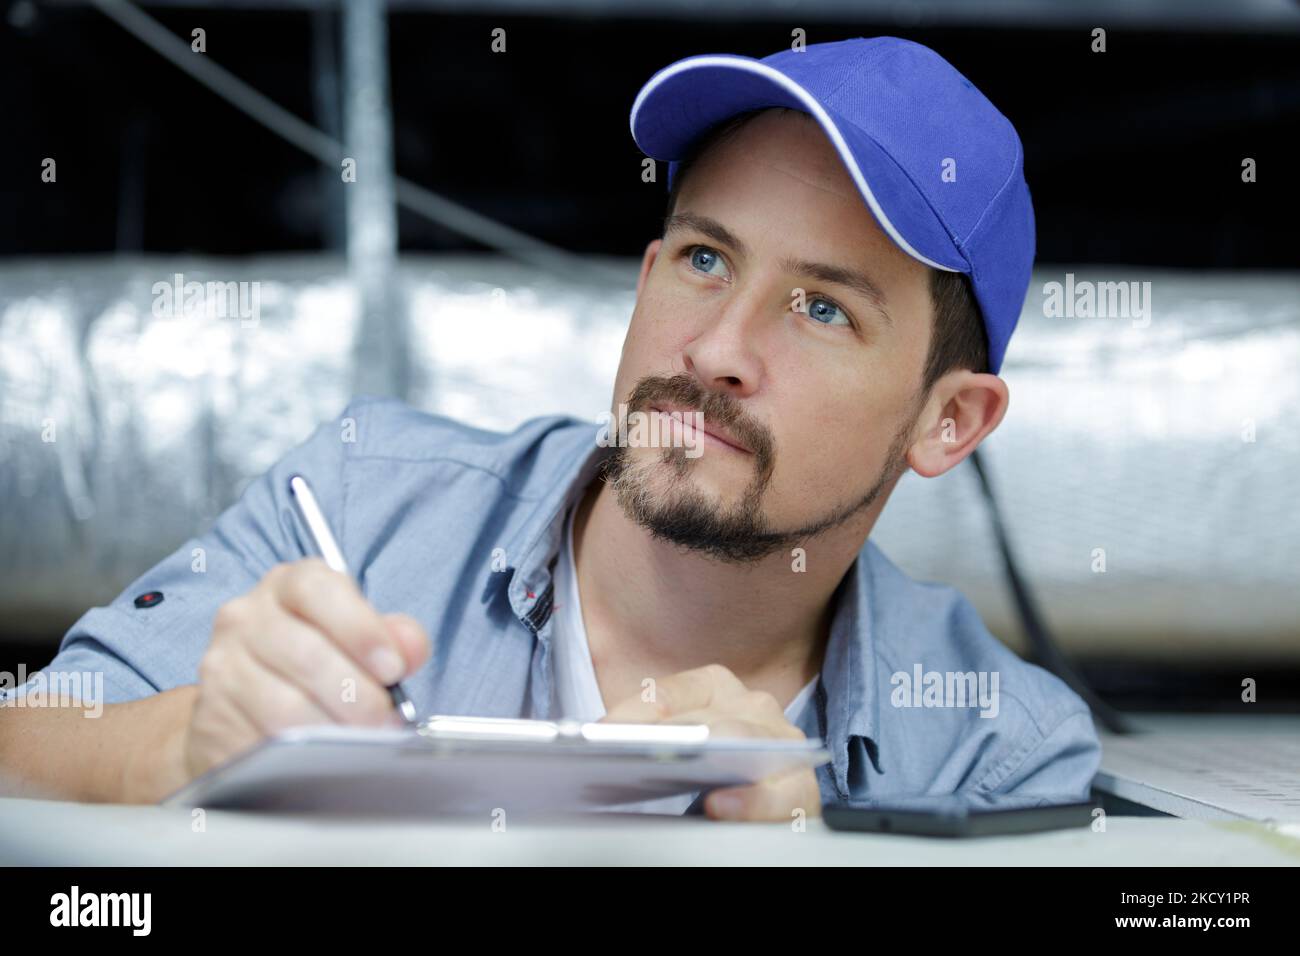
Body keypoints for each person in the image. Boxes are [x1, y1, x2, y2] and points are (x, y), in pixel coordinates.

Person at [0, 36, 1100, 821]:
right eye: (704, 257)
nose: (715, 343)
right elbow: (27, 732)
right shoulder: (359, 502)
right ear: (646, 276)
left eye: (821, 307)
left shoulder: (994, 747)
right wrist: (187, 741)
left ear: (948, 420)